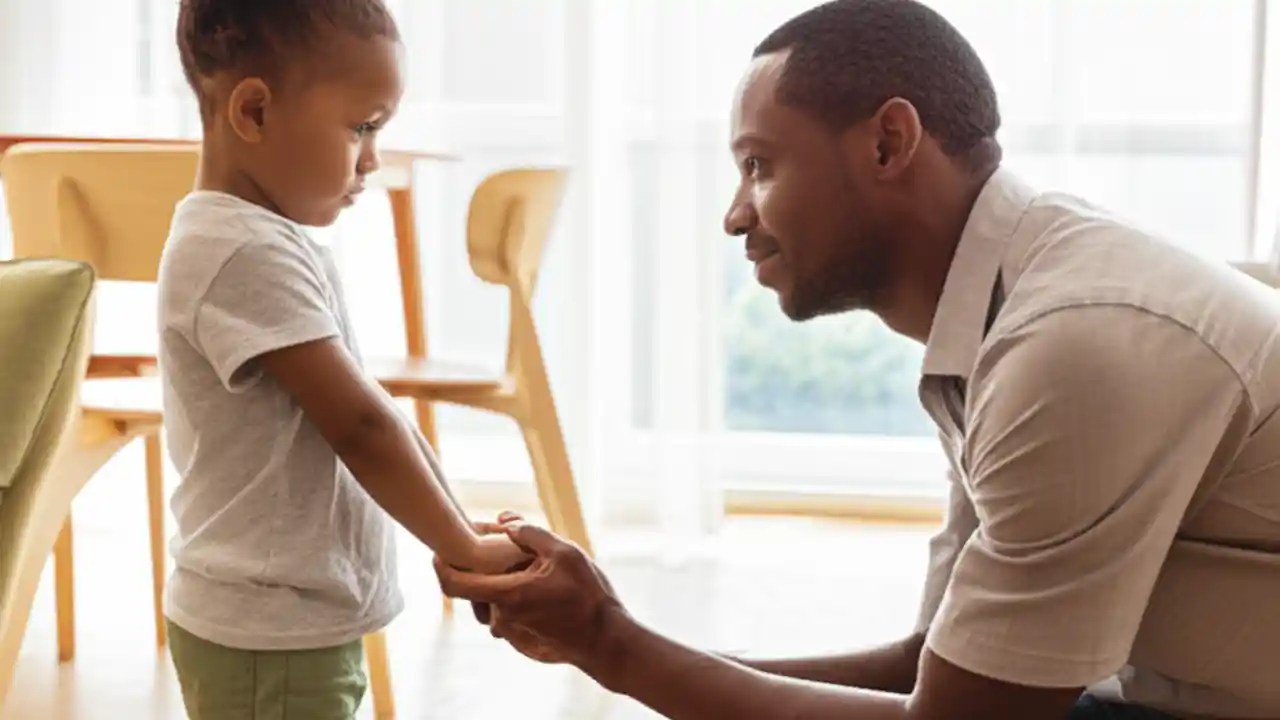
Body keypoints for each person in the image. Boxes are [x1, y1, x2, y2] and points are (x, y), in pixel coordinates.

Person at [435, 1, 1280, 718]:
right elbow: (937, 663)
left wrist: (611, 645)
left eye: (759, 165)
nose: (736, 216)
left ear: (887, 142)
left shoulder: (1072, 347)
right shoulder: (1003, 317)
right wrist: (617, 638)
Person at [159, 1, 529, 717]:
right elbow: (358, 425)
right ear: (255, 111)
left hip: (285, 622)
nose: (373, 159)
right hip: (270, 631)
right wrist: (460, 546)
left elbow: (371, 410)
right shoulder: (241, 251)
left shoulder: (258, 238)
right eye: (362, 127)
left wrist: (459, 522)